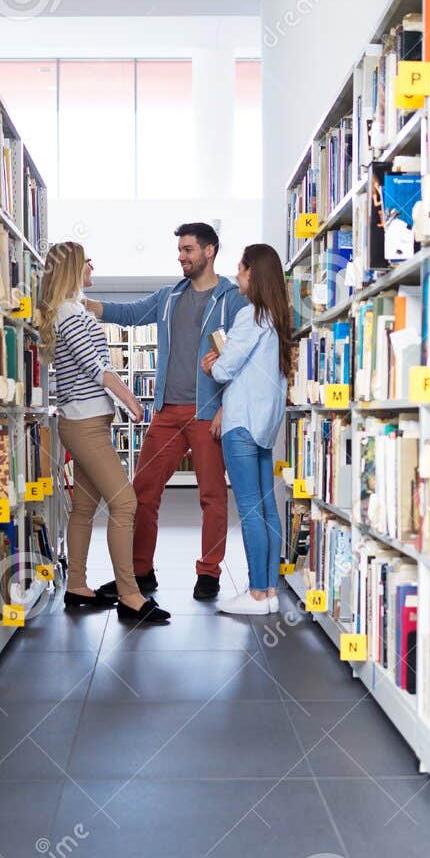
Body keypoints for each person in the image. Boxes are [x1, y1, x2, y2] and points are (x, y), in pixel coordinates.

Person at [82, 222, 247, 602]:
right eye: (180, 250)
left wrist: (226, 406)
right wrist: (83, 303)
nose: (181, 256)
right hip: (167, 412)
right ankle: (141, 573)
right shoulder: (169, 297)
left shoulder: (232, 300)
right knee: (142, 492)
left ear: (209, 251)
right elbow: (128, 313)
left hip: (207, 411)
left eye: (188, 250)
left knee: (212, 497)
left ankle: (209, 572)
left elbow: (242, 358)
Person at [38, 241, 171, 625]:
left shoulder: (72, 310)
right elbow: (96, 367)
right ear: (72, 268)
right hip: (85, 425)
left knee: (83, 508)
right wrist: (130, 399)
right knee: (125, 503)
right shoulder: (70, 314)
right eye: (87, 261)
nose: (92, 266)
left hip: (86, 421)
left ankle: (77, 587)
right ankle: (130, 595)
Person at [201, 244, 291, 616]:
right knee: (268, 508)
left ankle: (255, 594)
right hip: (265, 426)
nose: (236, 274)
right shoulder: (278, 319)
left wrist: (212, 364)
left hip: (241, 423)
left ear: (253, 272)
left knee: (250, 509)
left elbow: (225, 370)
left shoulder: (250, 315)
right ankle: (268, 591)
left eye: (240, 267)